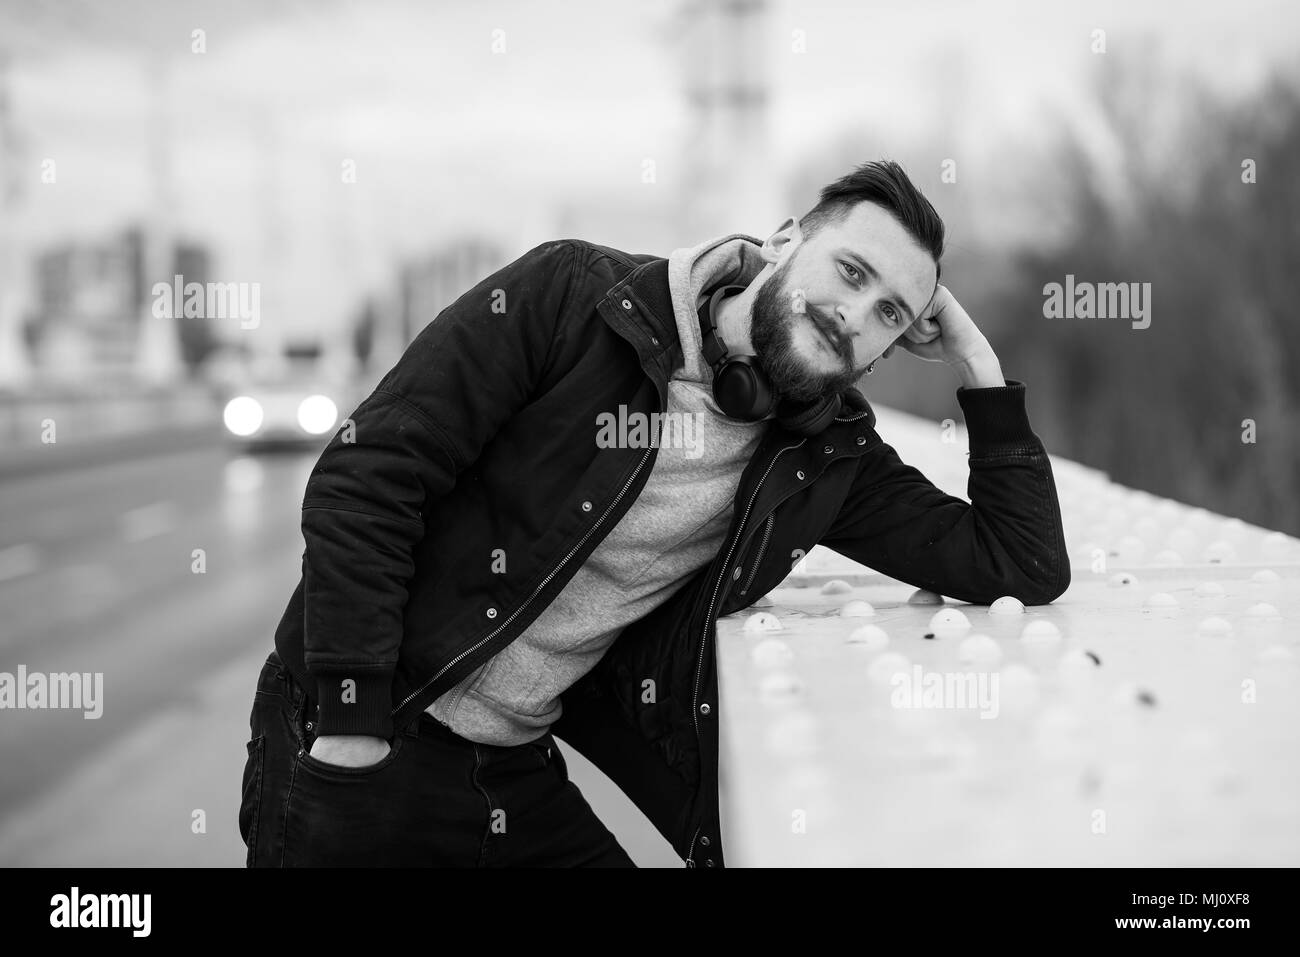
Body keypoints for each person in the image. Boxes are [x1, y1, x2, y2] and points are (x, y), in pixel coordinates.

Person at [238, 159, 1070, 868]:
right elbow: (369, 473)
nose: (855, 314)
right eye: (851, 272)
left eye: (891, 313)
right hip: (360, 728)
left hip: (508, 765)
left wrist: (977, 362)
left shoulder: (824, 458)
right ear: (784, 241)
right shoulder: (572, 299)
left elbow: (1021, 561)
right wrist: (351, 724)